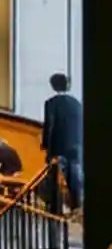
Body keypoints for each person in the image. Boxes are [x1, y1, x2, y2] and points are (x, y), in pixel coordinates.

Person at [42, 72, 83, 212]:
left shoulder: (51, 103)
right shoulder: (76, 103)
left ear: (52, 86)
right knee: (75, 178)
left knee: (55, 178)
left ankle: (55, 208)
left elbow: (50, 126)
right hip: (76, 146)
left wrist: (47, 146)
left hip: (58, 147)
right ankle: (76, 206)